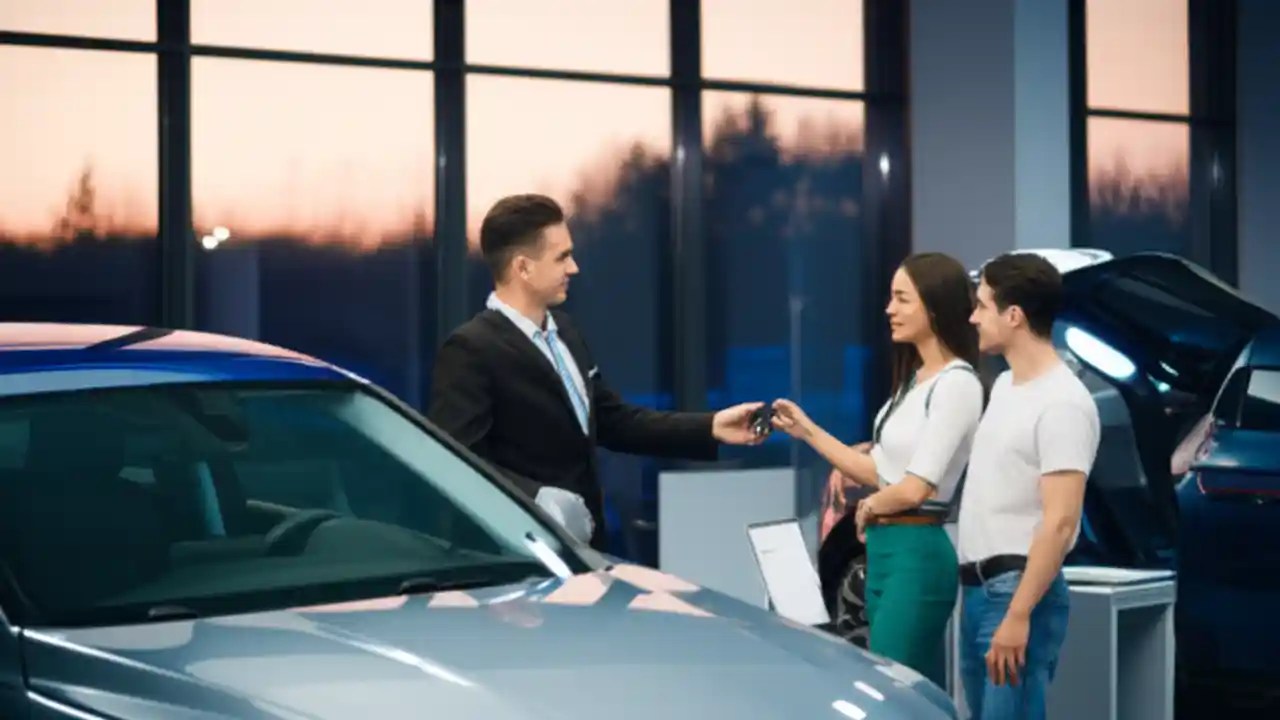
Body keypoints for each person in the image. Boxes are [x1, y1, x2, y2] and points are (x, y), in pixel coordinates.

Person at [428, 193, 764, 550]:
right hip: (520, 568)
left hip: (585, 557)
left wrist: (711, 427)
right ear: (523, 268)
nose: (574, 268)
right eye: (562, 258)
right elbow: (457, 463)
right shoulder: (470, 349)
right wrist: (538, 502)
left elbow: (613, 421)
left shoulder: (567, 332)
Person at [770, 252, 984, 687]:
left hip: (916, 554)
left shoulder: (958, 384)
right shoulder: (915, 380)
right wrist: (807, 430)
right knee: (898, 691)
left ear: (935, 306)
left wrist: (867, 508)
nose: (890, 309)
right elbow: (877, 471)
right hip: (885, 552)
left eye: (902, 299)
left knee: (890, 690)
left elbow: (913, 488)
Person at [958, 252, 1100, 720]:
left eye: (981, 306)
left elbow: (1060, 523)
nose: (973, 317)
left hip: (1018, 594)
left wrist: (1018, 615)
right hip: (978, 591)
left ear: (1013, 315)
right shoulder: (1004, 388)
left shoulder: (1063, 403)